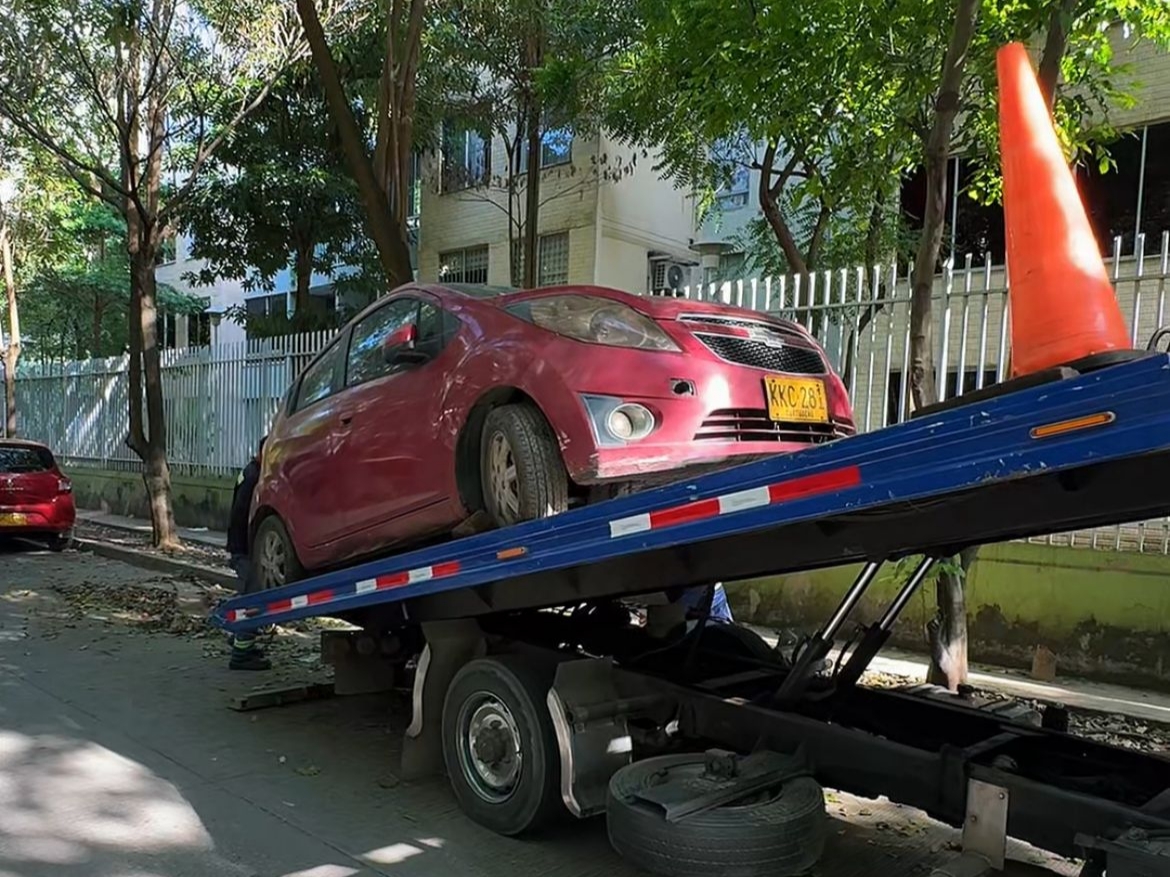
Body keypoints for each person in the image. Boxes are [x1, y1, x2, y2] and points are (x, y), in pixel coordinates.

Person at [225, 436, 270, 671]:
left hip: (239, 546)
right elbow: (244, 516)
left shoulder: (249, 472)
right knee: (253, 599)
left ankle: (240, 639)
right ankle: (241, 653)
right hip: (244, 548)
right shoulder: (254, 477)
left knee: (247, 595)